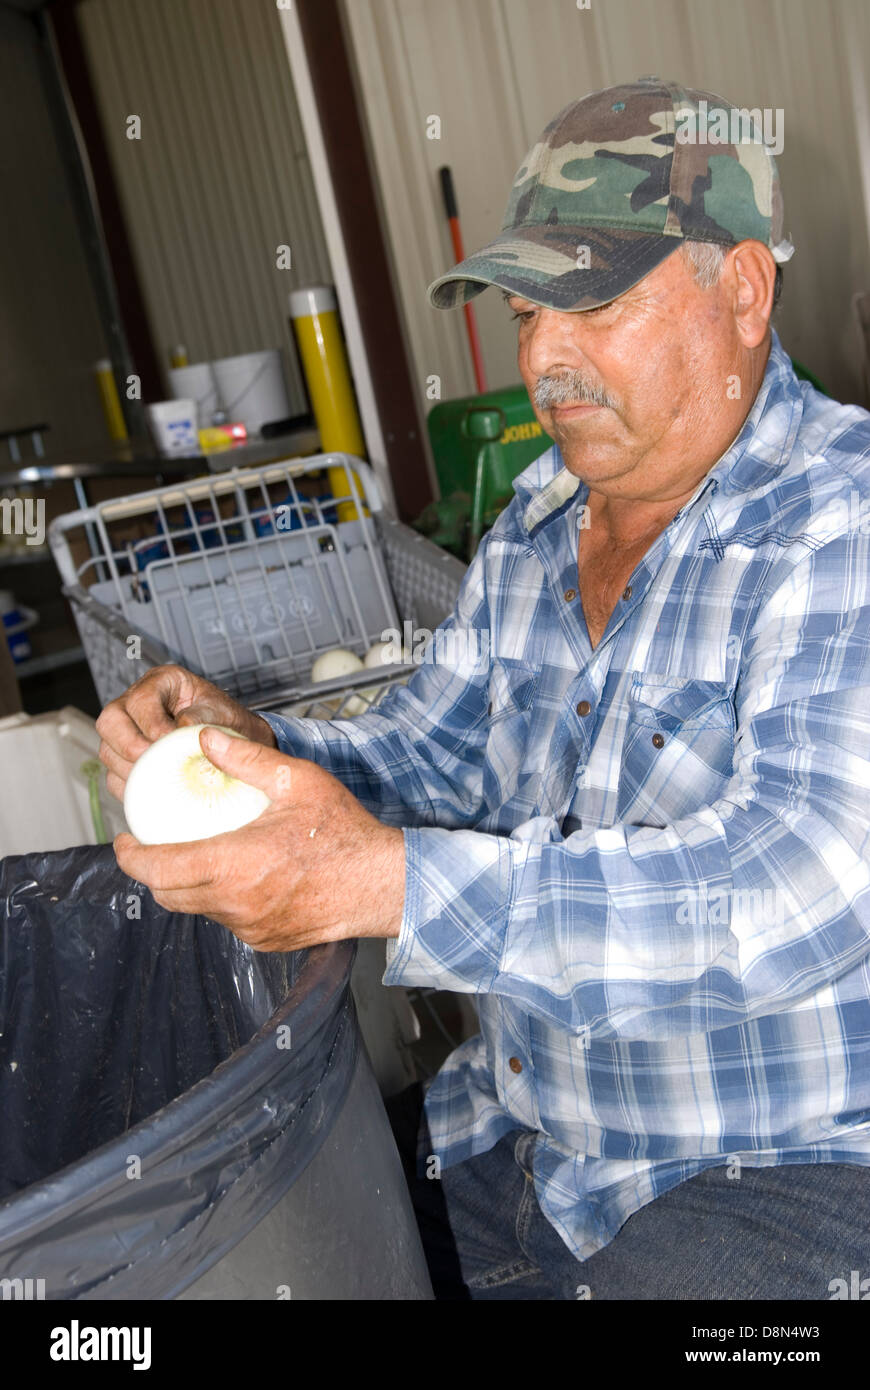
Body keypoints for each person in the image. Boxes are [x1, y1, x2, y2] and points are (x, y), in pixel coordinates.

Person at [97, 78, 870, 1300]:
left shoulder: (841, 521)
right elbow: (433, 751)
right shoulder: (538, 524)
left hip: (781, 1170)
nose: (544, 361)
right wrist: (253, 750)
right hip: (525, 1135)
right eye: (524, 314)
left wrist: (380, 880)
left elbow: (797, 891)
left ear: (743, 291)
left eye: (596, 303)